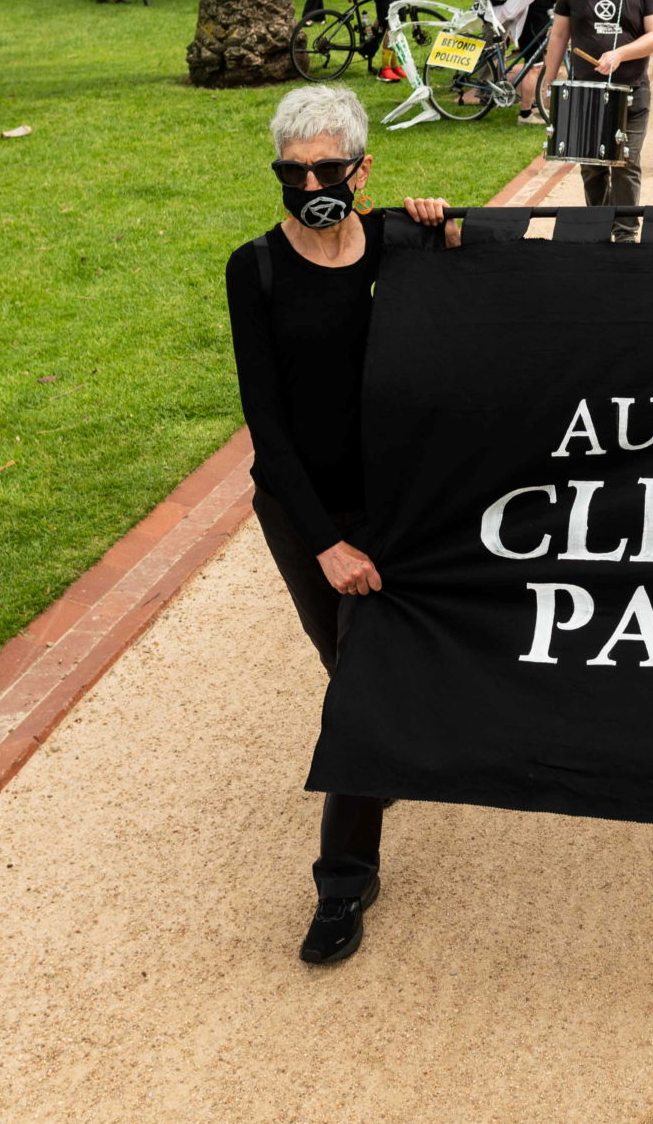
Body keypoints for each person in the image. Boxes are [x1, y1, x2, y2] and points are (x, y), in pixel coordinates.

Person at [224, 86, 455, 966]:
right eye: (295, 170)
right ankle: (383, 757)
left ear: (363, 168)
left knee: (355, 689)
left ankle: (342, 880)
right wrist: (325, 542)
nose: (313, 181)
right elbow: (266, 424)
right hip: (303, 511)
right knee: (343, 659)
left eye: (328, 167)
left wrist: (439, 224)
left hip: (398, 504)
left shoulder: (401, 242)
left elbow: (484, 293)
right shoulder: (257, 269)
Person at [545, 0, 653, 238]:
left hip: (631, 92)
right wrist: (549, 76)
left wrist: (620, 54)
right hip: (588, 92)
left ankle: (626, 233)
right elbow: (560, 34)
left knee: (626, 166)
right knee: (592, 167)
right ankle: (599, 228)